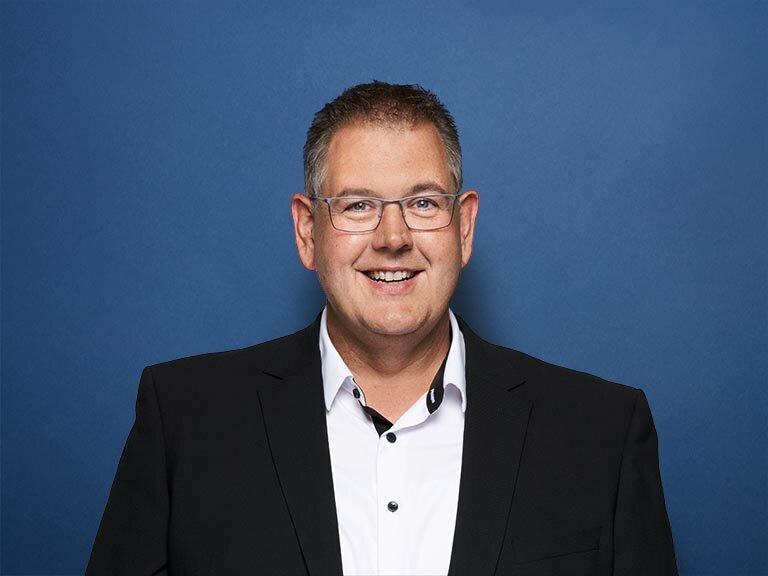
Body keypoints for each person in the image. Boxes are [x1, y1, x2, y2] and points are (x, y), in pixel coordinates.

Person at [87, 81, 678, 575]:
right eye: (357, 205)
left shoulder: (602, 434)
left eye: (423, 203)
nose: (393, 237)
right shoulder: (184, 423)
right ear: (307, 232)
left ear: (463, 227)